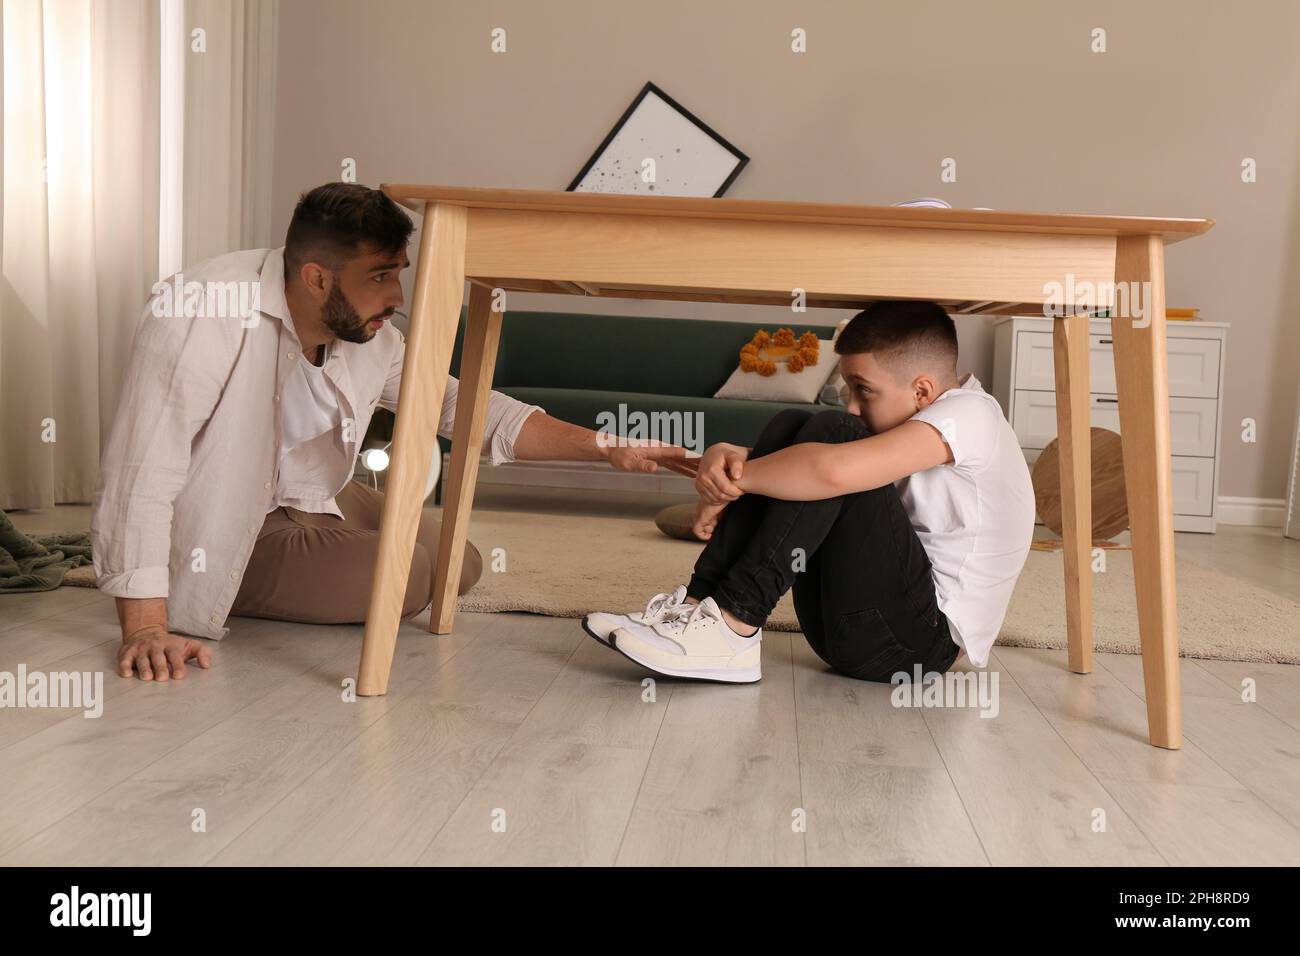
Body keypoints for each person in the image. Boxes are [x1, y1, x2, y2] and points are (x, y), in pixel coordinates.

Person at [94, 182, 696, 682]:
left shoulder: (372, 334)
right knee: (407, 575)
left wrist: (605, 446)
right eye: (381, 276)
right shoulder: (202, 309)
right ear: (316, 278)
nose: (397, 296)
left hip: (314, 496)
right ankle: (202, 585)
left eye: (399, 274)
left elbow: (457, 405)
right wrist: (147, 626)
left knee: (459, 558)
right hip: (229, 518)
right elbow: (141, 468)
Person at [584, 300, 1036, 684]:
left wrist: (736, 480)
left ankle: (735, 626)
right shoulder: (924, 422)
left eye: (864, 390)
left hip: (920, 648)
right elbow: (808, 462)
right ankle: (698, 609)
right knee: (795, 425)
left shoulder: (971, 415)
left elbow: (831, 472)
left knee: (835, 433)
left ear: (922, 390)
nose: (855, 405)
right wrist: (728, 457)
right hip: (852, 627)